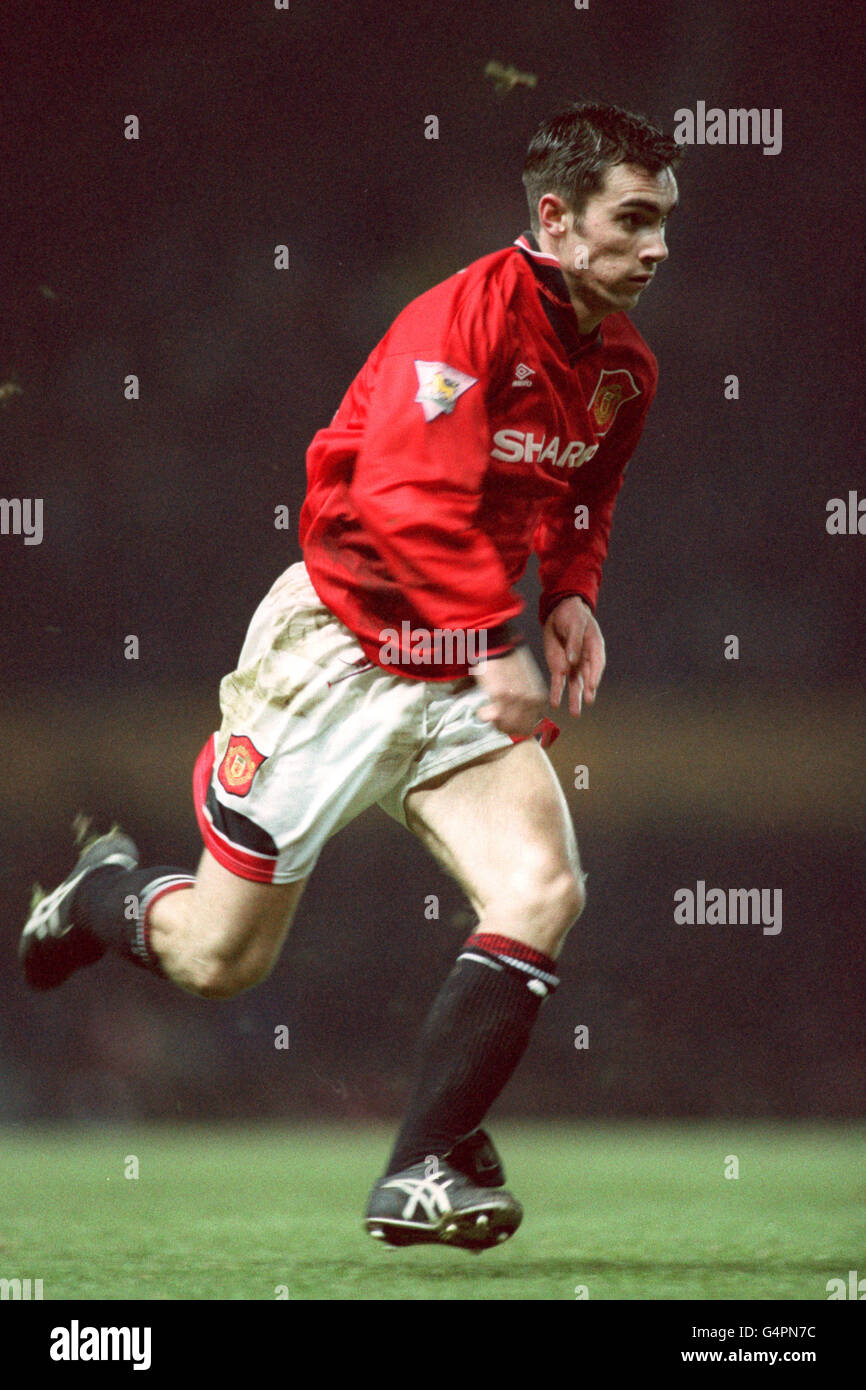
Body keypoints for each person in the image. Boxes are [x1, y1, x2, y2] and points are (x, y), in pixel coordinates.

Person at [20, 101, 681, 1252]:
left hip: (453, 675)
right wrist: (494, 636)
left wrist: (572, 589)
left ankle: (419, 1165)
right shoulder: (460, 322)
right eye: (632, 219)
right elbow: (401, 498)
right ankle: (101, 897)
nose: (657, 244)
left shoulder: (623, 362)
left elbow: (584, 488)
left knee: (543, 884)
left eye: (665, 220)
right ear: (555, 219)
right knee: (221, 960)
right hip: (334, 651)